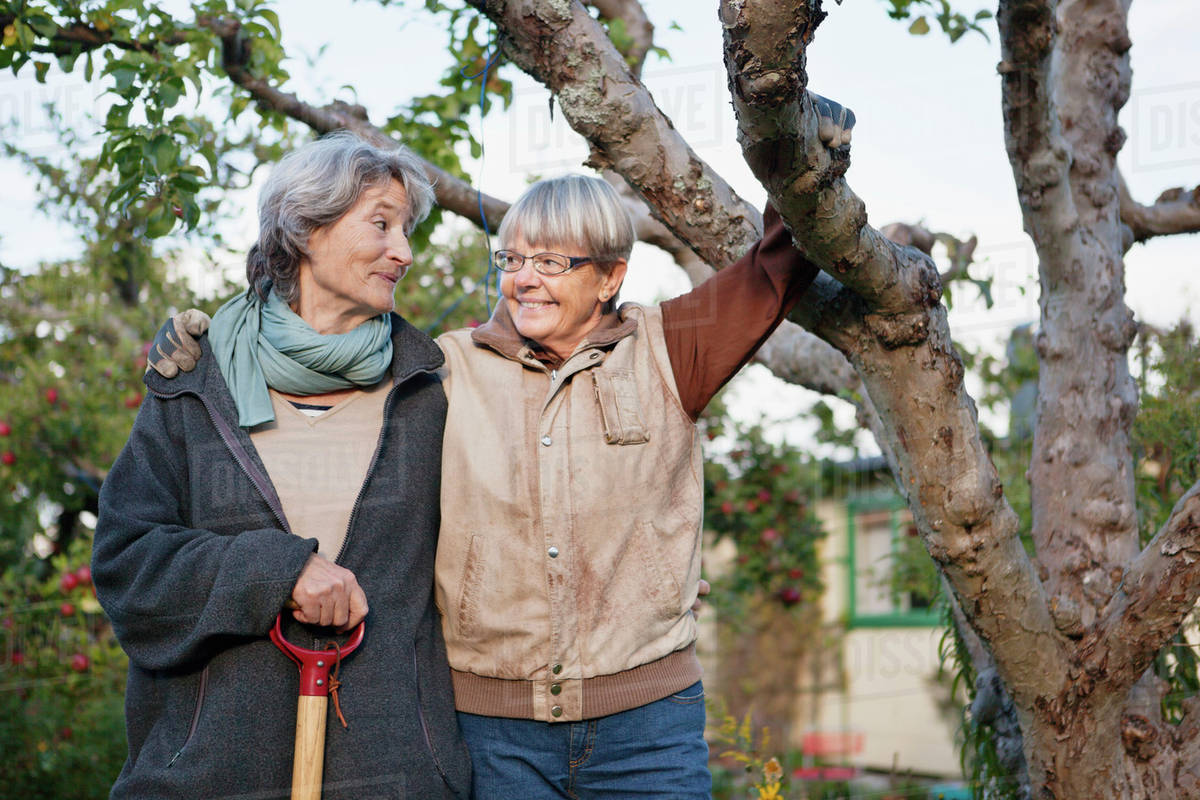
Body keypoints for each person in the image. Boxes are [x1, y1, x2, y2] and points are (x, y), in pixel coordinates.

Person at [149, 98, 854, 799]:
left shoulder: (670, 349)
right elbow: (321, 340)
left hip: (647, 727)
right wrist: (207, 345)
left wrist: (806, 156)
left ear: (610, 277)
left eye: (551, 261)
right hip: (493, 732)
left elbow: (775, 271)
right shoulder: (442, 367)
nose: (524, 279)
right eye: (512, 258)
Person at [93, 132, 472, 799]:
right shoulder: (195, 380)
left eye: (407, 231)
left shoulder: (430, 388)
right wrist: (275, 570)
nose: (405, 253)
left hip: (395, 777)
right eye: (381, 225)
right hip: (211, 777)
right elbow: (128, 564)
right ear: (306, 228)